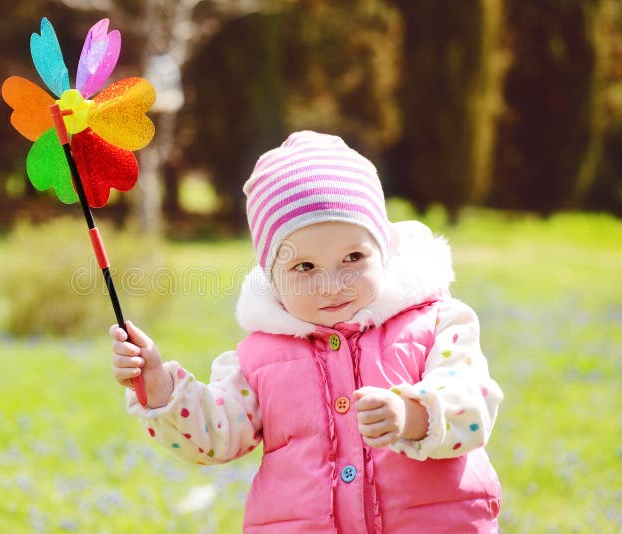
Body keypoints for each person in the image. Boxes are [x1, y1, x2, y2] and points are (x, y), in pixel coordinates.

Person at [110, 131, 503, 533]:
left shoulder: (435, 323)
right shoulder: (258, 360)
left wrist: (412, 415)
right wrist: (159, 387)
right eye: (305, 267)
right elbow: (217, 435)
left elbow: (472, 403)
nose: (331, 285)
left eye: (353, 257)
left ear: (383, 251)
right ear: (272, 277)